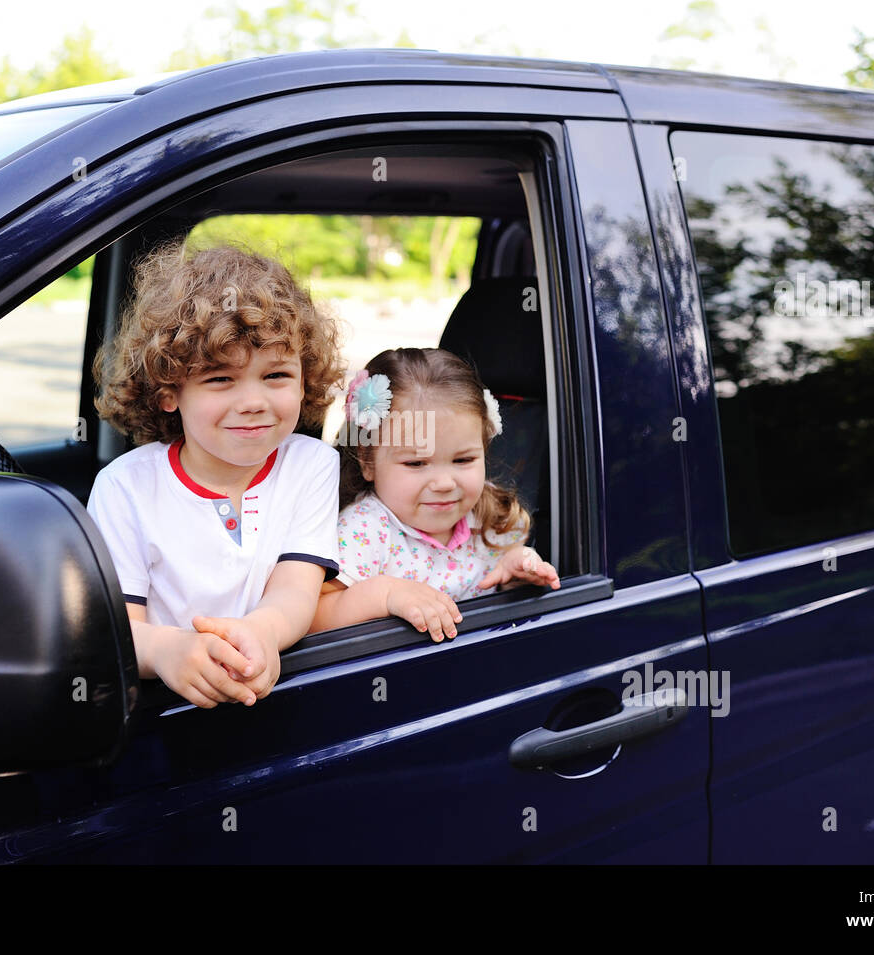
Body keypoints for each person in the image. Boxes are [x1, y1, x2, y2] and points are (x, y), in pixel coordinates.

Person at [88, 240, 346, 708]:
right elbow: (119, 627)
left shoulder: (311, 465)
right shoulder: (125, 487)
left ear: (305, 379)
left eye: (276, 376)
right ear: (169, 392)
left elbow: (294, 586)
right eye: (220, 379)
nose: (252, 401)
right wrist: (169, 650)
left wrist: (260, 634)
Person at [311, 347, 559, 641]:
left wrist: (511, 573)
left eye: (463, 460)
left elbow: (496, 586)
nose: (444, 483)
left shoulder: (489, 516)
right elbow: (314, 618)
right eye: (416, 463)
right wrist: (386, 593)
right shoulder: (363, 531)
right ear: (368, 462)